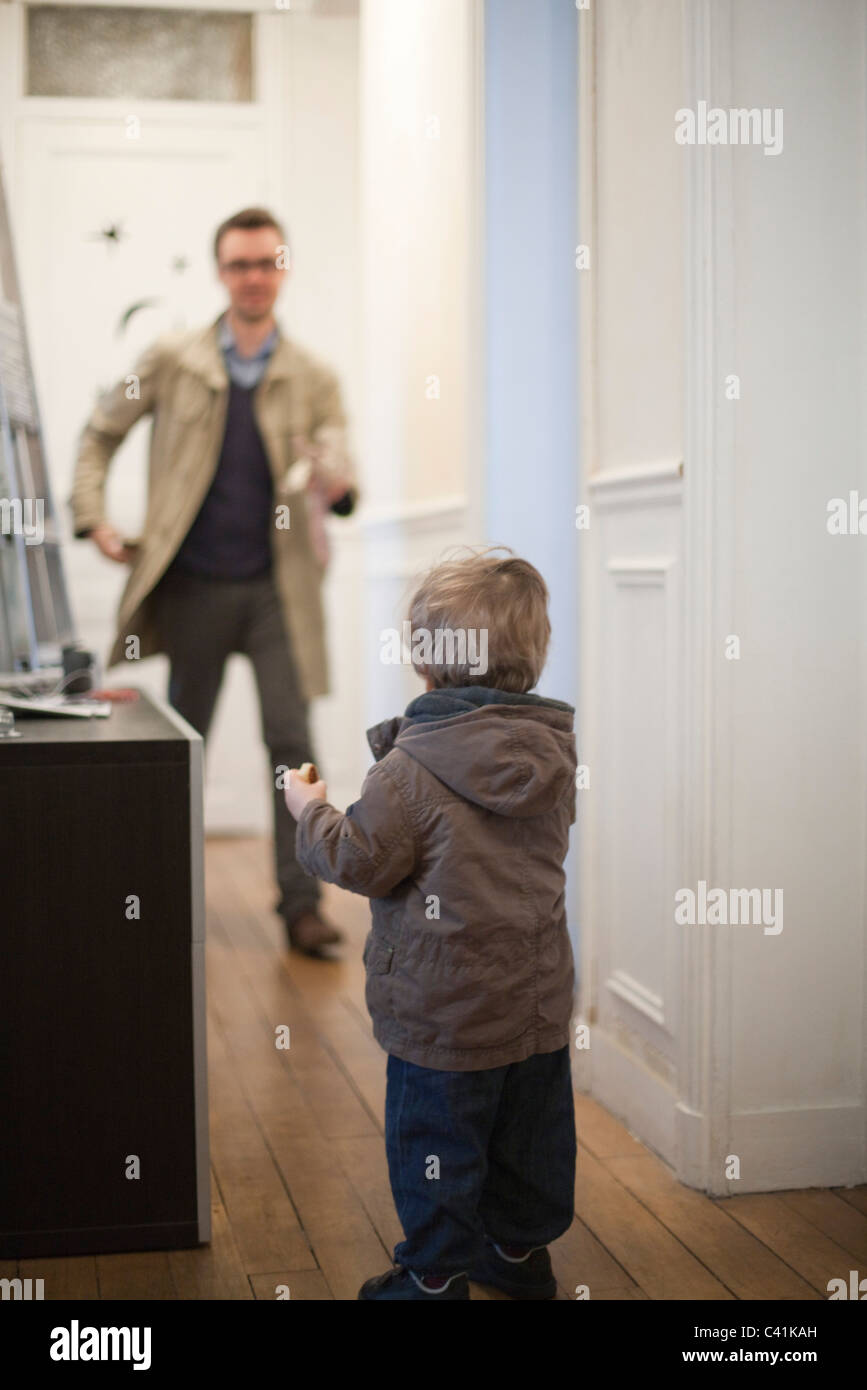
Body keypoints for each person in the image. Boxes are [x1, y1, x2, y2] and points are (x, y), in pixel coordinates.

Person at [283, 547, 577, 1299]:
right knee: (526, 1136)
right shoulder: (551, 754)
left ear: (423, 663)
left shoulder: (407, 769)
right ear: (533, 657)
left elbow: (357, 861)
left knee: (435, 1145)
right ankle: (516, 1254)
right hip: (535, 1002)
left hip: (441, 1014)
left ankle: (433, 1276)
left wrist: (309, 811)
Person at [68, 207, 357, 957]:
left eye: (266, 263)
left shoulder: (315, 376)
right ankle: (157, 901)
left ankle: (301, 907)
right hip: (193, 586)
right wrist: (92, 516)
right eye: (239, 265)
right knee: (181, 746)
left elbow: (343, 478)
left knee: (291, 743)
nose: (254, 277)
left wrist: (332, 475)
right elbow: (100, 432)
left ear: (282, 269)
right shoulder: (171, 357)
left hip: (275, 594)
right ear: (220, 273)